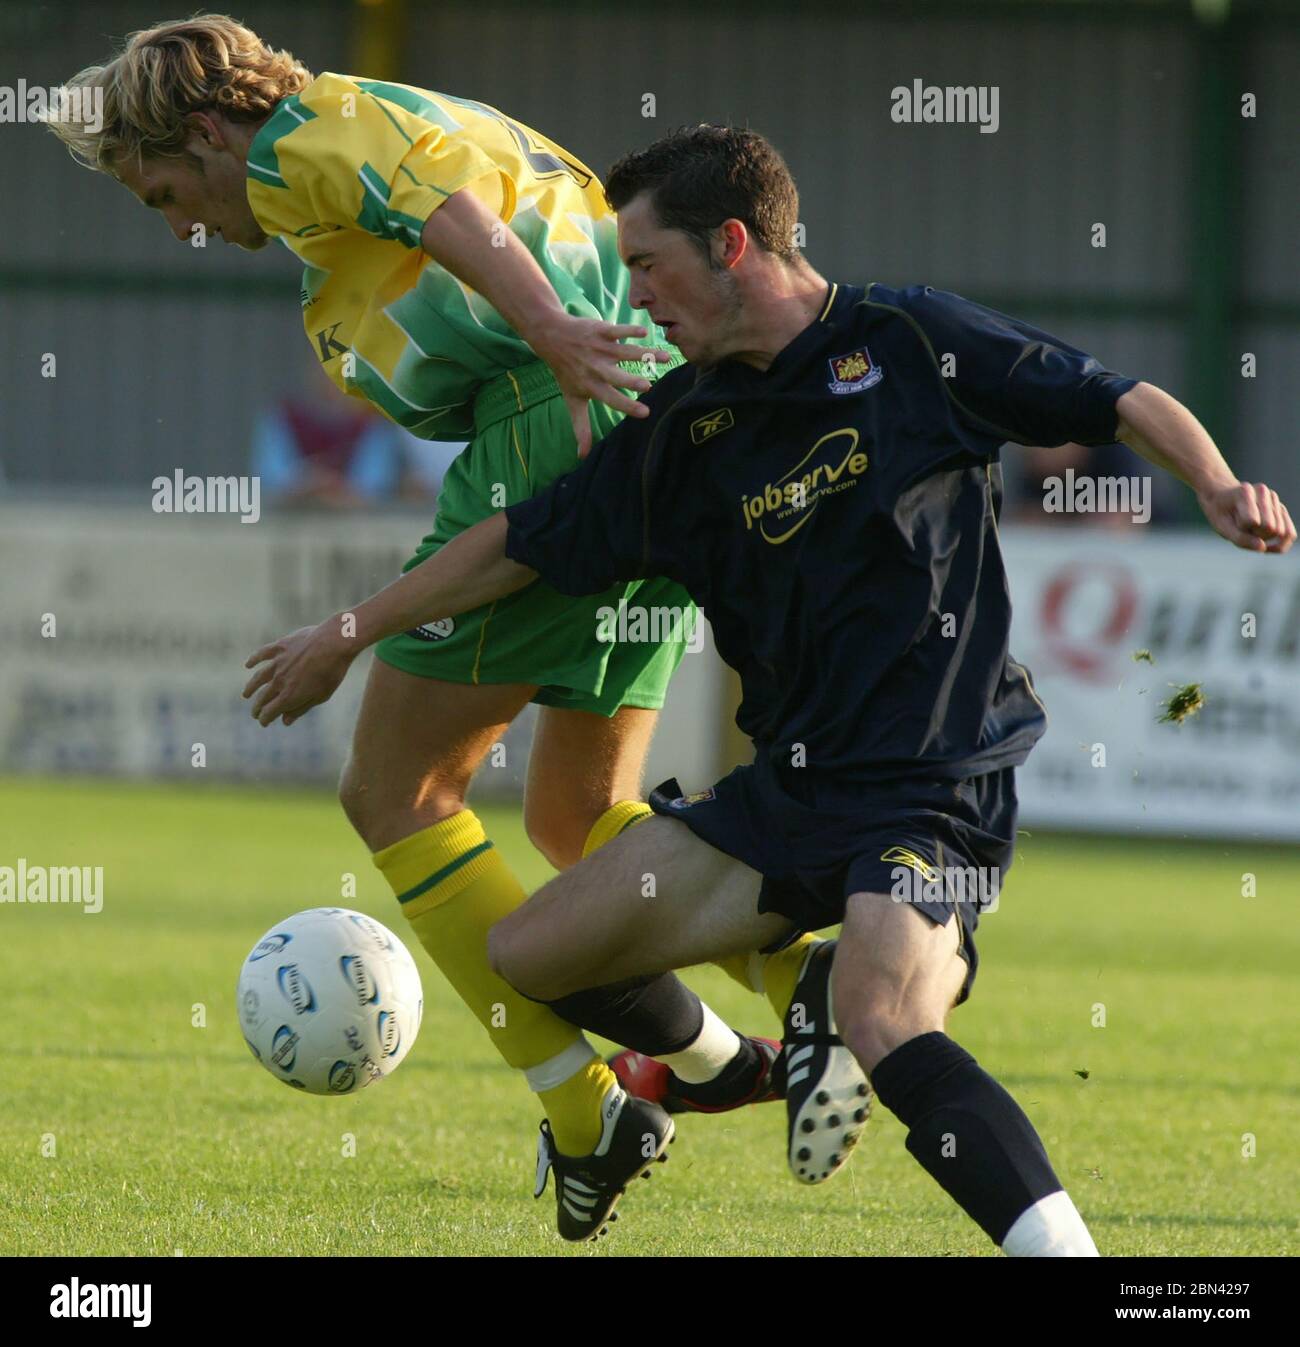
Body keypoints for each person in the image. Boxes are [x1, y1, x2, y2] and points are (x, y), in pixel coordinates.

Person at [241, 125, 1294, 1254]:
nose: (632, 294)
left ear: (731, 244)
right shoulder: (682, 428)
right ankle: (728, 1061)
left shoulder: (906, 339)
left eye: (645, 265)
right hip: (779, 799)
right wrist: (347, 633)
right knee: (531, 956)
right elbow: (512, 544)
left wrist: (1220, 484)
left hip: (927, 783)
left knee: (882, 1019)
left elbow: (1115, 397)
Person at [48, 19, 823, 1242]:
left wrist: (556, 341)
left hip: (562, 399)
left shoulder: (304, 133)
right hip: (651, 415)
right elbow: (466, 215)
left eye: (163, 190)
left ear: (206, 131)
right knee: (578, 817)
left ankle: (587, 1111)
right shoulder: (341, 227)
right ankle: (794, 986)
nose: (177, 221)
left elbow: (456, 217)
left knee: (395, 788)